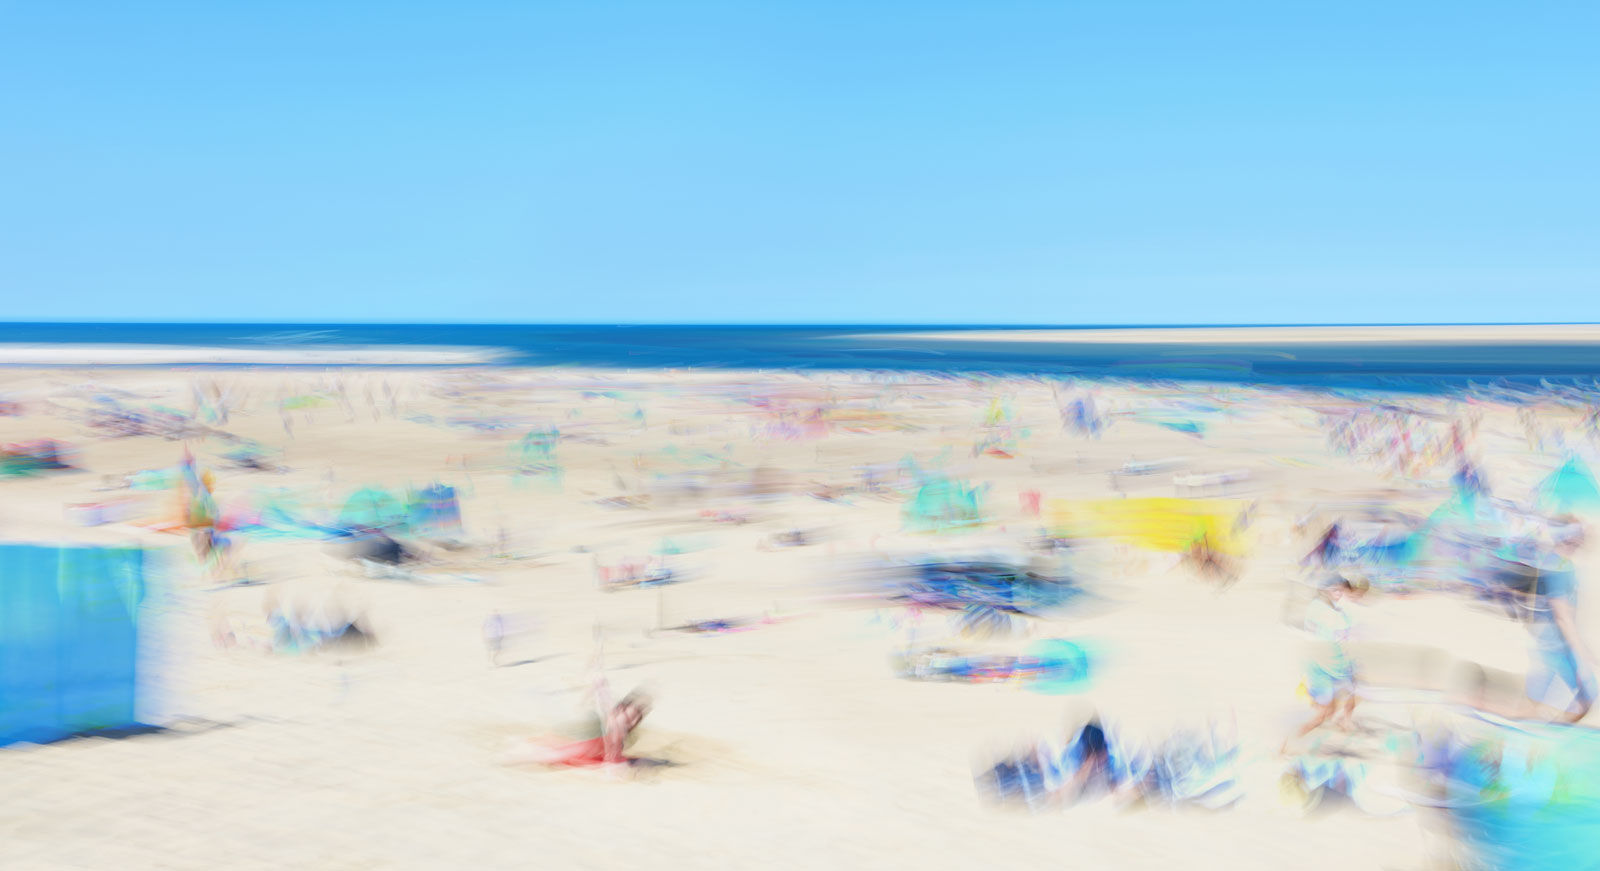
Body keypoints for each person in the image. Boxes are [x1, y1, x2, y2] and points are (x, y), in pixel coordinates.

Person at [1514, 519, 1597, 723]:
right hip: (1554, 643)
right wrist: (1581, 650)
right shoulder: (1559, 567)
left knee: (1581, 698)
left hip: (1553, 640)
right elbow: (1562, 616)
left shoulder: (1556, 562)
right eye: (1577, 533)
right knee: (1584, 695)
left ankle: (1543, 726)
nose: (1581, 538)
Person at [1292, 576, 1366, 742]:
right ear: (1324, 590)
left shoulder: (1331, 609)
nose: (1339, 594)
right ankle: (1288, 742)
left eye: (1341, 590)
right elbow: (1336, 635)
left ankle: (1344, 720)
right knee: (1323, 714)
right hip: (1324, 667)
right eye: (1335, 590)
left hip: (1333, 665)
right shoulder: (1322, 610)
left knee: (1351, 694)